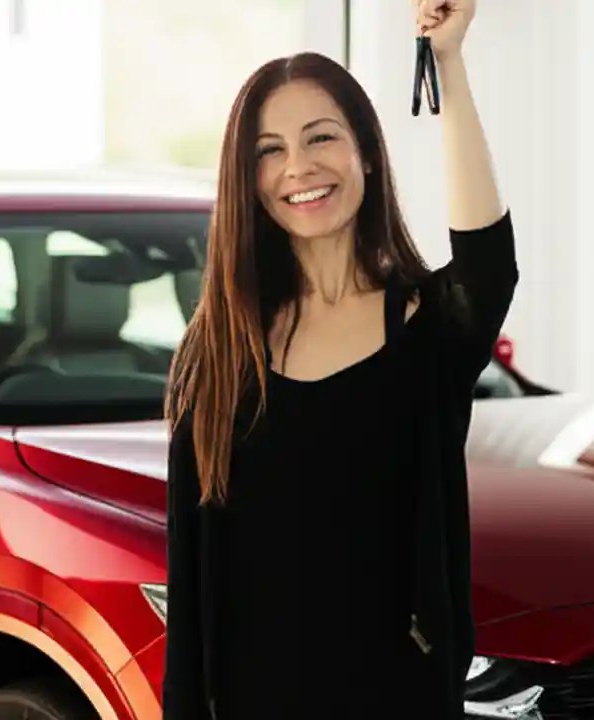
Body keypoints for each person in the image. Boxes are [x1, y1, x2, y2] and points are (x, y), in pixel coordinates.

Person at [162, 1, 518, 717]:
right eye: (270, 149)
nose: (298, 167)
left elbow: (488, 264)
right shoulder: (222, 349)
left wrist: (447, 61)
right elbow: (192, 580)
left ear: (364, 151)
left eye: (321, 137)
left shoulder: (424, 329)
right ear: (248, 178)